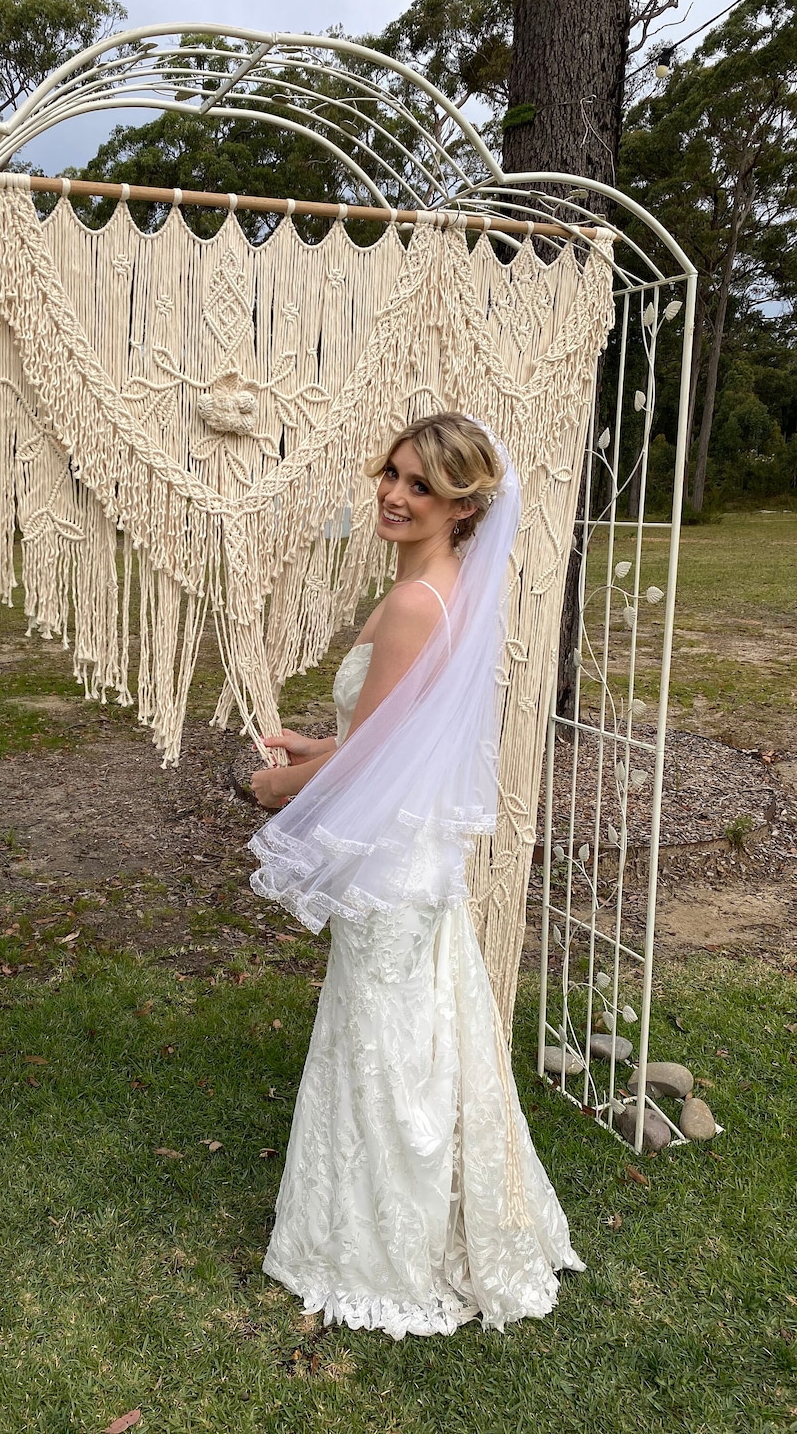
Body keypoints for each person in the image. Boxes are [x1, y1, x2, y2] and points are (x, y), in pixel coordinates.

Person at [247, 412, 584, 1338]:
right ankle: (453, 1215)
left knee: (385, 1039)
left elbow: (375, 753)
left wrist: (276, 782)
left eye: (422, 486)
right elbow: (389, 732)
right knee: (430, 1027)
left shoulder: (413, 603)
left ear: (465, 505)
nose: (396, 495)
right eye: (393, 475)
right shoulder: (448, 591)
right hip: (420, 849)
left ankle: (387, 1250)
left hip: (394, 862)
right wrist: (320, 743)